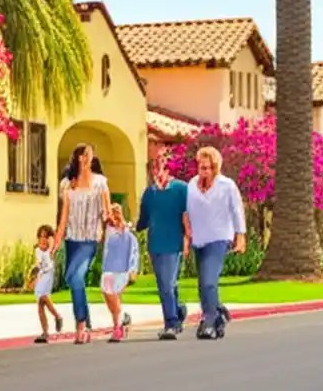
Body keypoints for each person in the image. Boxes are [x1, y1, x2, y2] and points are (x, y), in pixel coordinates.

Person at [52, 143, 111, 344]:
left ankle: (80, 324)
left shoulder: (100, 183)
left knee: (74, 276)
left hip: (89, 239)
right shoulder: (68, 185)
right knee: (73, 280)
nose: (86, 159)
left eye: (89, 155)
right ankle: (85, 321)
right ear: (77, 158)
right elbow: (63, 217)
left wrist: (108, 223)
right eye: (82, 155)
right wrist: (56, 242)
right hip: (71, 239)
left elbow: (106, 210)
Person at [186, 145, 246, 340]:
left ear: (215, 168)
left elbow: (237, 210)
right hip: (199, 239)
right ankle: (218, 313)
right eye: (200, 167)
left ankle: (209, 320)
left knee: (208, 282)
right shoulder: (192, 185)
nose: (202, 171)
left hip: (219, 238)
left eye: (206, 167)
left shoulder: (226, 185)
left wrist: (240, 235)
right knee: (203, 284)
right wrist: (186, 236)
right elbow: (186, 211)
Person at [136, 153, 191, 340]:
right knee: (165, 284)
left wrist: (187, 239)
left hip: (173, 243)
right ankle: (179, 311)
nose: (155, 172)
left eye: (158, 167)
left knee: (167, 284)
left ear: (167, 169)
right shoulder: (149, 193)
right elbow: (143, 219)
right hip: (155, 244)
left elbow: (187, 216)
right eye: (152, 168)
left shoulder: (181, 189)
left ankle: (171, 324)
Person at [101, 203, 139, 343]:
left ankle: (118, 326)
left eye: (116, 211)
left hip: (121, 269)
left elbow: (133, 250)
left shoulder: (126, 232)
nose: (114, 214)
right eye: (112, 212)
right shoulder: (107, 229)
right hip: (108, 269)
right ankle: (122, 319)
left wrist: (132, 269)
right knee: (108, 296)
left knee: (114, 295)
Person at [30, 224, 64, 343]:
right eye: (40, 236)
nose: (42, 238)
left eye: (45, 236)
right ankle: (45, 332)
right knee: (40, 305)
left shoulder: (51, 249)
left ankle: (57, 316)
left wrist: (52, 240)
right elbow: (39, 265)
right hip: (41, 275)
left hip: (48, 274)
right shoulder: (37, 250)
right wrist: (34, 275)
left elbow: (49, 265)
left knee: (43, 297)